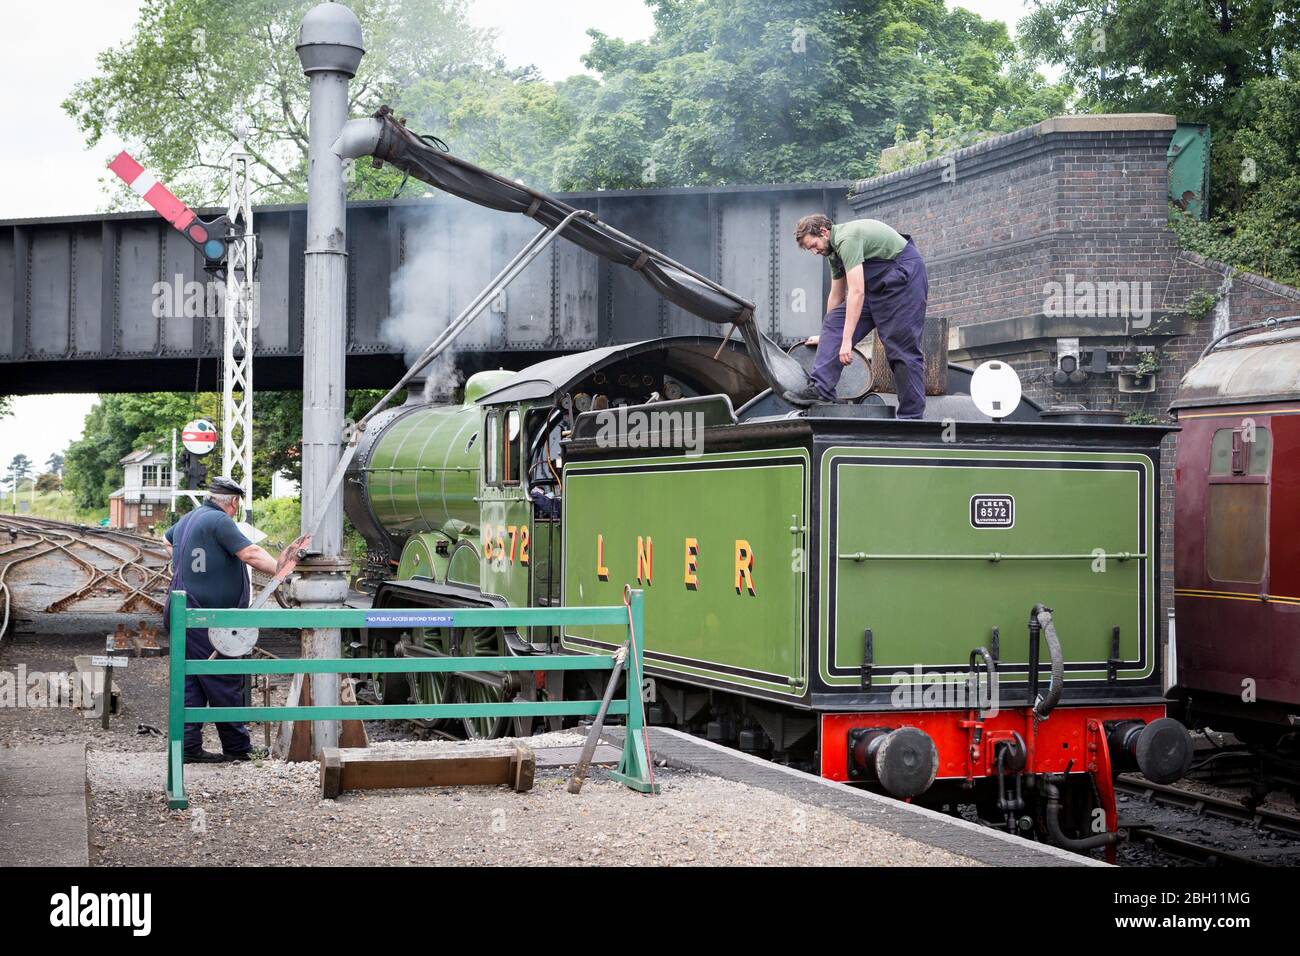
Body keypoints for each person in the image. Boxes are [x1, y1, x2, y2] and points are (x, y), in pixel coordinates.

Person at [164, 476, 301, 763]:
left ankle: (188, 748)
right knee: (223, 678)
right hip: (207, 617)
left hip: (183, 612)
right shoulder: (219, 521)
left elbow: (166, 539)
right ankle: (238, 748)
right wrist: (282, 568)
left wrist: (181, 565)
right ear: (234, 503)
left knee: (194, 680)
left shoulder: (190, 517)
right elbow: (250, 554)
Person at [793, 214, 929, 418]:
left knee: (900, 348)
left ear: (823, 231)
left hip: (903, 280)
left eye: (813, 245)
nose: (814, 252)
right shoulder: (832, 253)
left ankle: (912, 417)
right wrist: (830, 337)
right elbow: (837, 295)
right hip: (875, 286)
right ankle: (821, 390)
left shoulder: (847, 239)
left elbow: (856, 292)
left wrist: (847, 342)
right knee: (834, 322)